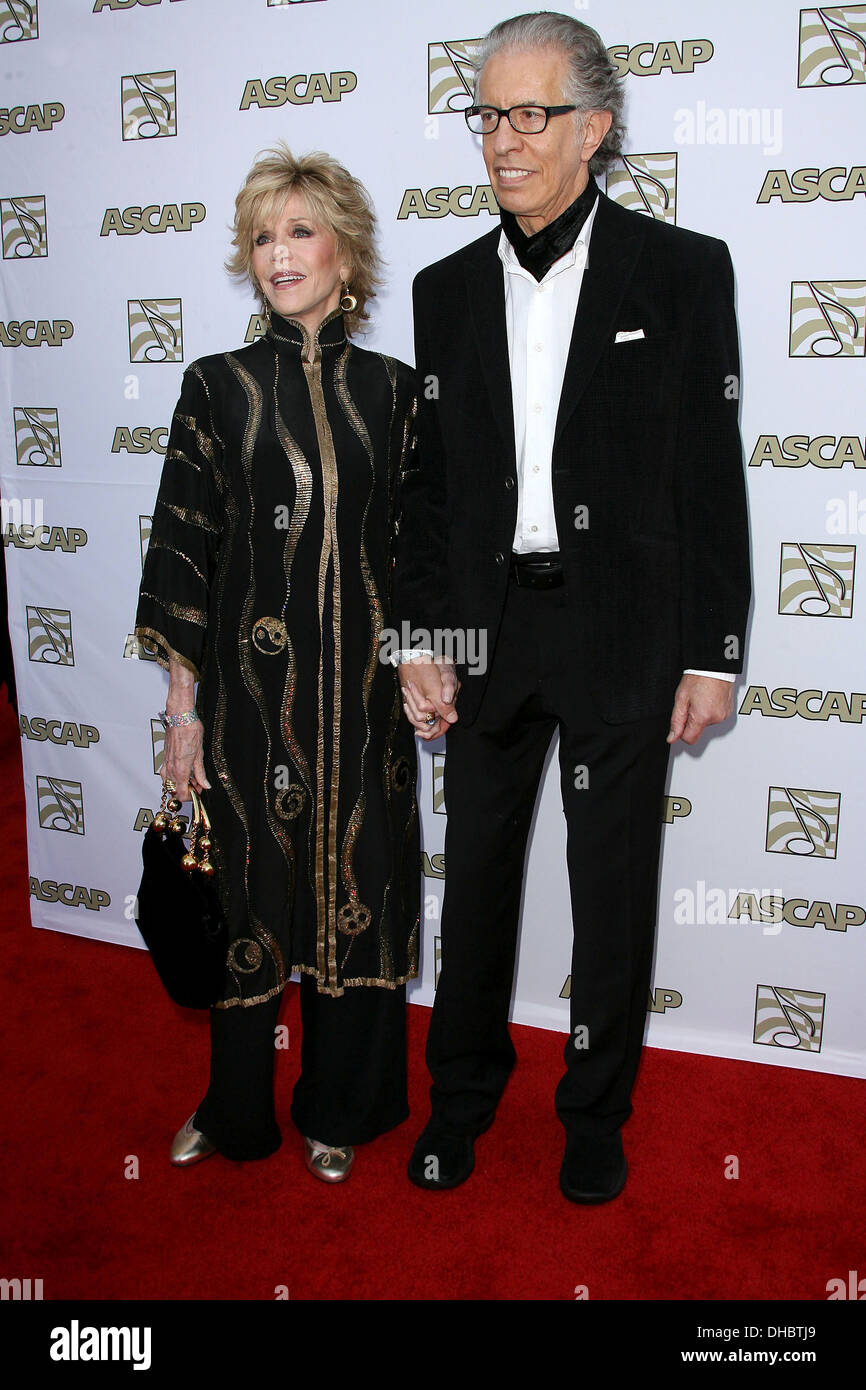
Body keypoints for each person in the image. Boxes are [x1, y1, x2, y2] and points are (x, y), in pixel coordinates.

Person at [393, 12, 751, 1203]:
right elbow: (433, 495)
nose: (503, 139)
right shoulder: (443, 289)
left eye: (530, 113)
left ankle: (592, 1115)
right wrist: (424, 643)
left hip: (622, 636)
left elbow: (708, 467)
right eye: (487, 113)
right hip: (484, 635)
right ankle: (458, 1102)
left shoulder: (681, 268)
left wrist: (711, 649)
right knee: (475, 889)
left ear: (594, 128)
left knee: (610, 902)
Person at [135, 144, 420, 1183]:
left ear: (345, 250)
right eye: (262, 235)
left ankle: (340, 1105)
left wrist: (427, 661)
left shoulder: (395, 392)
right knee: (248, 902)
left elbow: (420, 550)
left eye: (299, 230)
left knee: (359, 885)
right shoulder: (214, 387)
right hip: (249, 707)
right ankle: (235, 1110)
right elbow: (182, 549)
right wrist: (182, 709)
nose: (279, 253)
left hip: (366, 707)